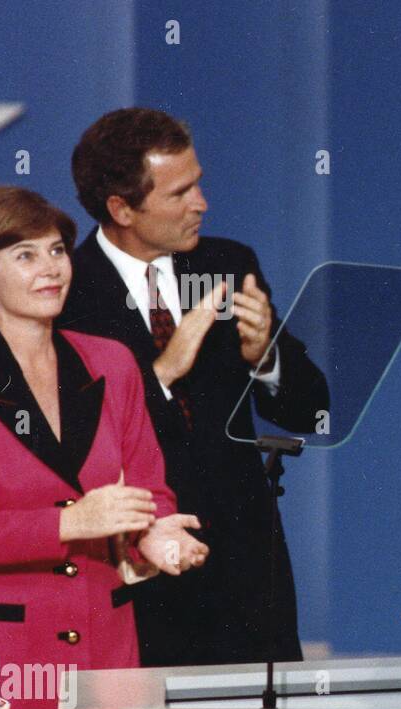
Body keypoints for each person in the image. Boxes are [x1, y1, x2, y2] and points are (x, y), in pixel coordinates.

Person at [61, 108, 330, 667]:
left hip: (249, 574)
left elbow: (312, 409)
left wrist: (266, 359)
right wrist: (162, 372)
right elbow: (73, 445)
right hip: (141, 572)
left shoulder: (228, 264)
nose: (201, 203)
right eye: (180, 192)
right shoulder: (66, 292)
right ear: (122, 209)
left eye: (198, 183)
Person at [0, 186, 207, 709]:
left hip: (108, 651)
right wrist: (68, 523)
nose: (50, 269)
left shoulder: (112, 363)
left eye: (57, 251)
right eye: (25, 255)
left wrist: (155, 534)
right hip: (3, 660)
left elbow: (149, 489)